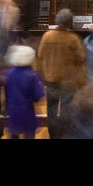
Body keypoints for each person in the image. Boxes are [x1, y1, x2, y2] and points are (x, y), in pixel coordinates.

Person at [38, 9, 87, 138]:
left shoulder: (47, 36)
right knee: (67, 110)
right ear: (69, 22)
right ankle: (65, 134)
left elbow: (40, 55)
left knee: (51, 110)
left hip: (50, 78)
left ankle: (53, 135)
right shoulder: (73, 39)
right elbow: (81, 58)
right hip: (68, 81)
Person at [0, 44, 46, 139]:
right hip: (27, 112)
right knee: (29, 135)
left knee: (14, 135)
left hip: (12, 112)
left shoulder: (9, 73)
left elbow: (5, 95)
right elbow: (38, 97)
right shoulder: (33, 76)